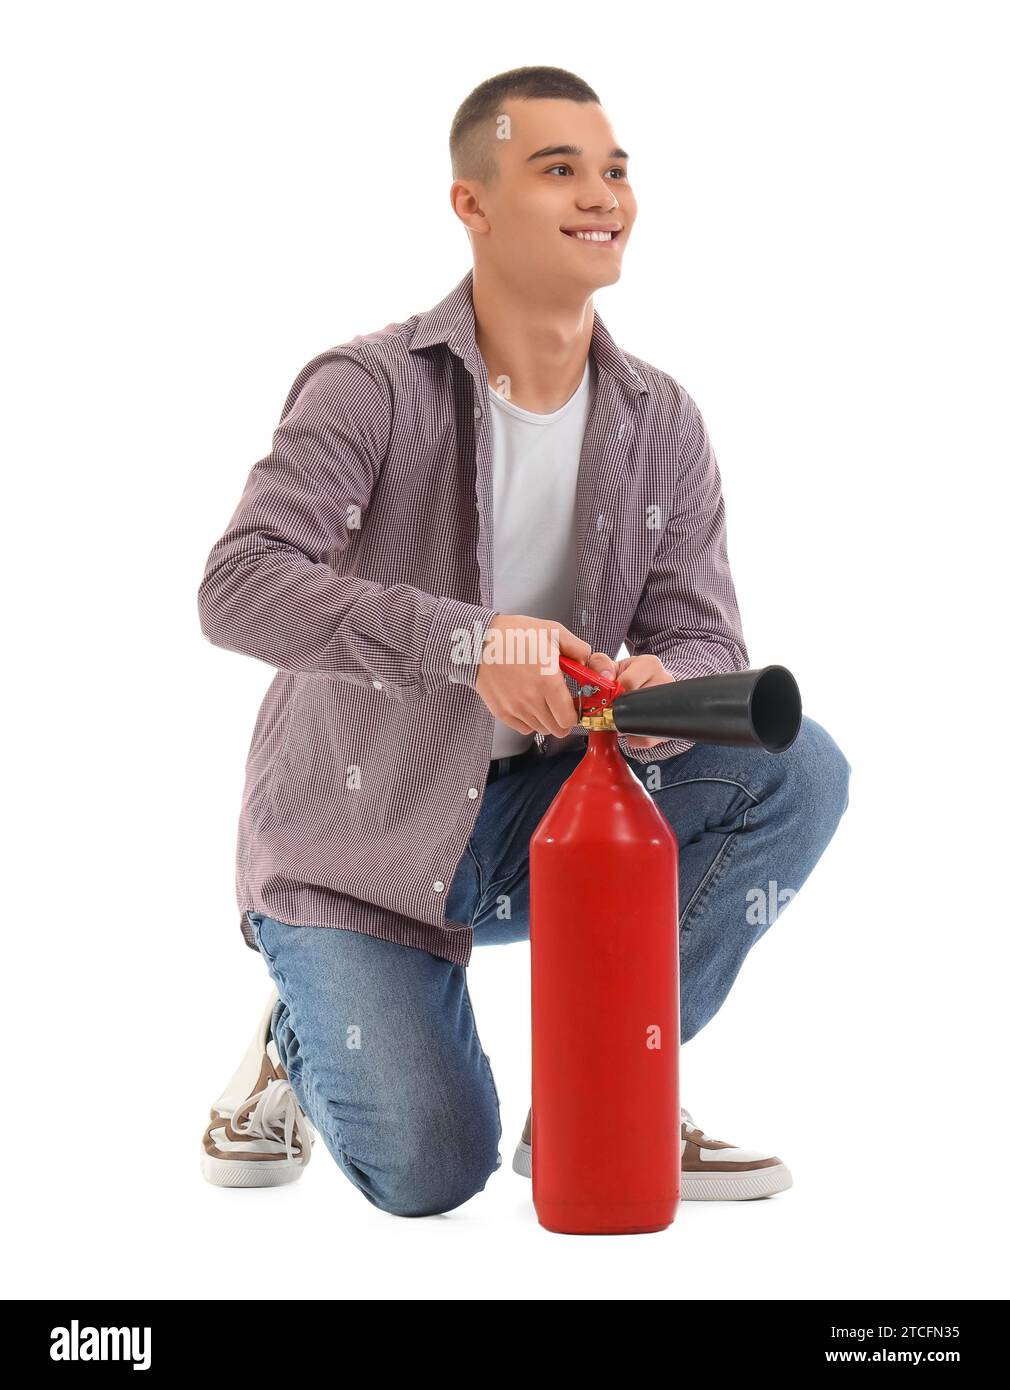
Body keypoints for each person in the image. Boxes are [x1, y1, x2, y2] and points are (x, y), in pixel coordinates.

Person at [197, 66, 851, 1214]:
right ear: (472, 204)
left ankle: (611, 1094)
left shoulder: (664, 419)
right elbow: (238, 586)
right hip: (358, 851)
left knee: (790, 770)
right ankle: (296, 1031)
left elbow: (700, 634)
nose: (601, 193)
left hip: (537, 820)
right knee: (430, 1169)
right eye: (558, 168)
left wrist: (665, 684)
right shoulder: (370, 388)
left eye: (614, 169)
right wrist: (471, 643)